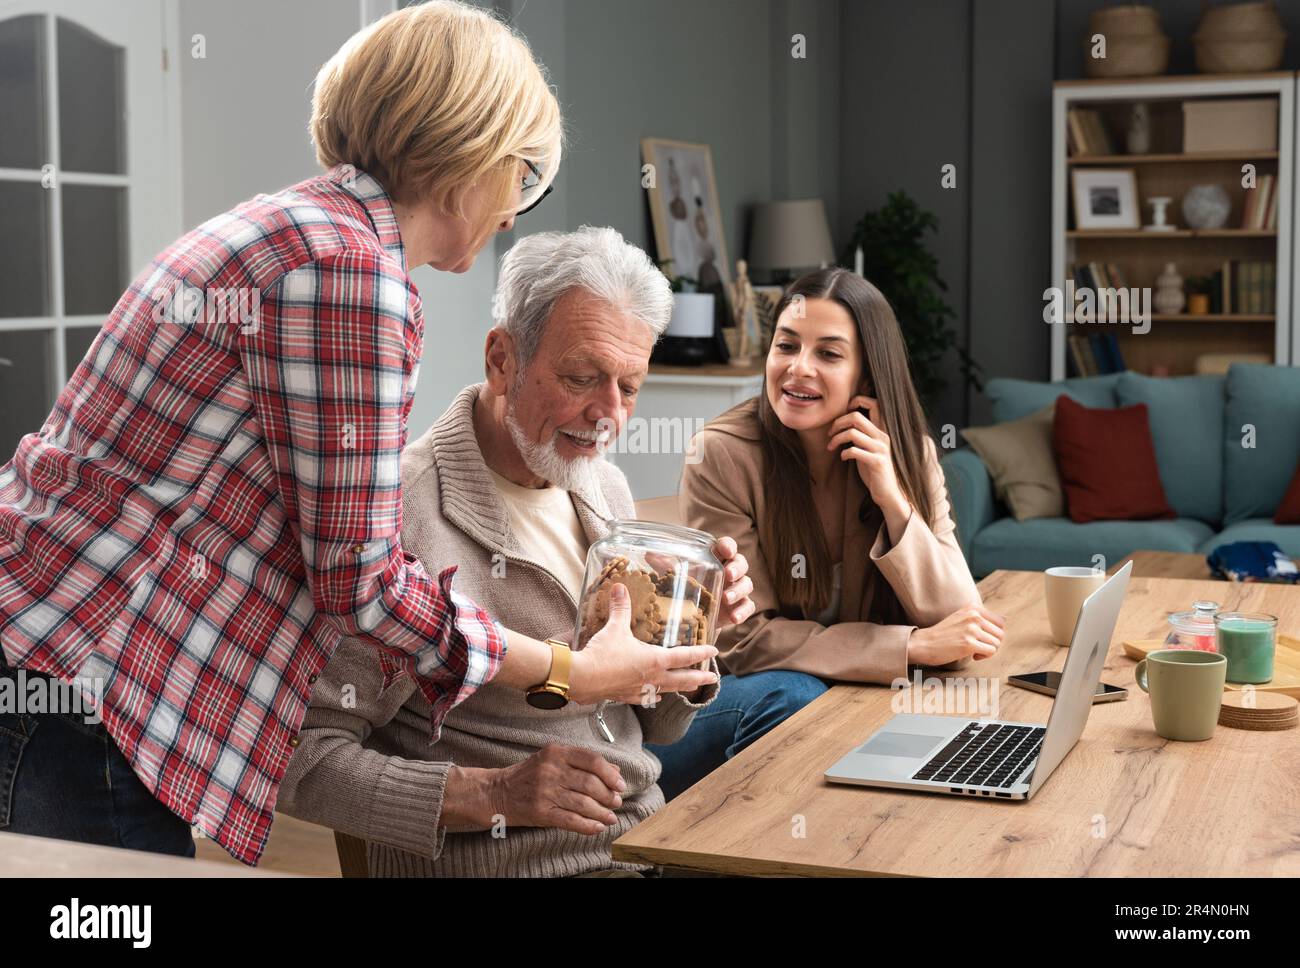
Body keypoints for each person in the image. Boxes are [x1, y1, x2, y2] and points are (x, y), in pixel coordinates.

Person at [0, 1, 722, 867]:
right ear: (468, 152)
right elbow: (362, 587)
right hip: (77, 676)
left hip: (54, 651)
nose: (515, 210)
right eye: (522, 172)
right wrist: (568, 672)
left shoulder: (306, 231)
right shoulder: (348, 274)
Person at [277, 227, 768, 877]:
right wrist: (493, 795)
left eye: (630, 386)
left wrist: (694, 634)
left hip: (640, 844)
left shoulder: (602, 487)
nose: (607, 415)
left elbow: (652, 730)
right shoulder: (397, 518)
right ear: (501, 358)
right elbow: (295, 760)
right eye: (583, 377)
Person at [650, 267, 1006, 799]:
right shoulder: (722, 455)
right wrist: (905, 647)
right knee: (796, 694)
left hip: (843, 706)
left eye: (828, 354)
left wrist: (892, 497)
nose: (797, 369)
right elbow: (741, 641)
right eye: (786, 346)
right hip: (731, 705)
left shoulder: (909, 456)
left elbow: (958, 624)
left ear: (867, 375)